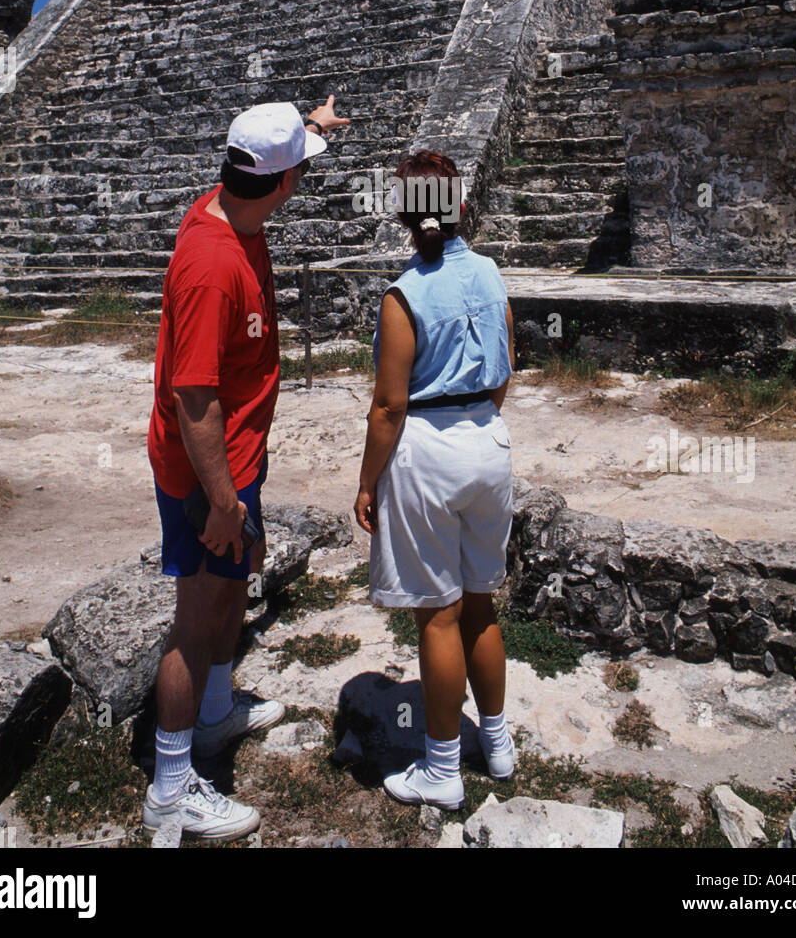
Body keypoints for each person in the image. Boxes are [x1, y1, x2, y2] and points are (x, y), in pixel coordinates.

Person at [143, 95, 349, 841]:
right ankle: (170, 789)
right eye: (302, 164)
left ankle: (216, 710)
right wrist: (224, 501)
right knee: (192, 624)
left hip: (238, 458)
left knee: (233, 589)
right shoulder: (211, 264)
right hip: (207, 471)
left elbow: (272, 152)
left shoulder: (236, 206)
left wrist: (315, 127)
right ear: (285, 182)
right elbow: (191, 395)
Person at [354, 149, 516, 811]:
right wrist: (480, 417)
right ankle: (499, 744)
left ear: (403, 217)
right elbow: (507, 363)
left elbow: (389, 405)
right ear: (461, 208)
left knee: (439, 616)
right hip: (488, 442)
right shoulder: (491, 273)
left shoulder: (405, 295)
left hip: (427, 449)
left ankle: (443, 769)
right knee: (481, 603)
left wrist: (367, 483)